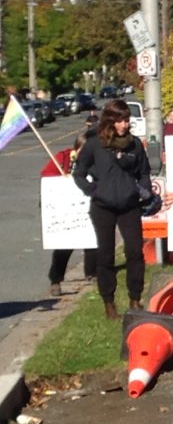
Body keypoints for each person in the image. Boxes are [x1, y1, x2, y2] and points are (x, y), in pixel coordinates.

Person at [72, 99, 152, 320]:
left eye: (126, 120)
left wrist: (143, 191)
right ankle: (109, 302)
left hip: (129, 205)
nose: (124, 125)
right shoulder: (94, 144)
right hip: (102, 206)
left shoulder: (134, 144)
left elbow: (144, 172)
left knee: (135, 252)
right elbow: (79, 173)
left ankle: (135, 298)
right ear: (109, 121)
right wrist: (93, 190)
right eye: (119, 121)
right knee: (105, 255)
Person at [42, 125, 98, 296]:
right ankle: (56, 279)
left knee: (93, 241)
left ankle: (92, 273)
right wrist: (62, 182)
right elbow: (46, 176)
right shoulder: (63, 157)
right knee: (64, 245)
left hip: (88, 204)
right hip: (66, 209)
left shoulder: (95, 159)